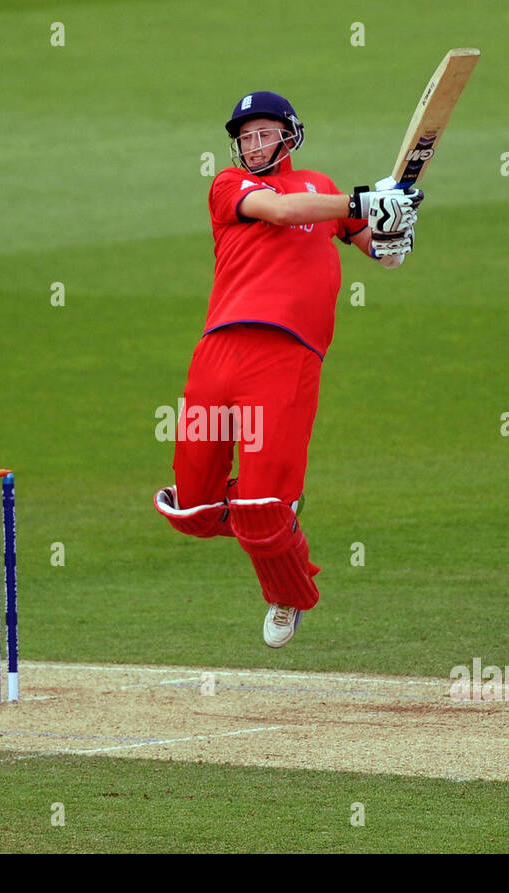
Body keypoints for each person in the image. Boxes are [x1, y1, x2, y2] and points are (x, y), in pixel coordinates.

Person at [154, 91, 422, 648]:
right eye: (245, 136)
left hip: (287, 356)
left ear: (289, 134)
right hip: (217, 352)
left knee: (258, 508)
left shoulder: (320, 187)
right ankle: (273, 510)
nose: (254, 144)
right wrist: (363, 199)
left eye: (264, 133)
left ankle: (287, 584)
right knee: (196, 510)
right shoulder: (229, 185)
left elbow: (387, 256)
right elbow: (280, 211)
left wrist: (396, 226)